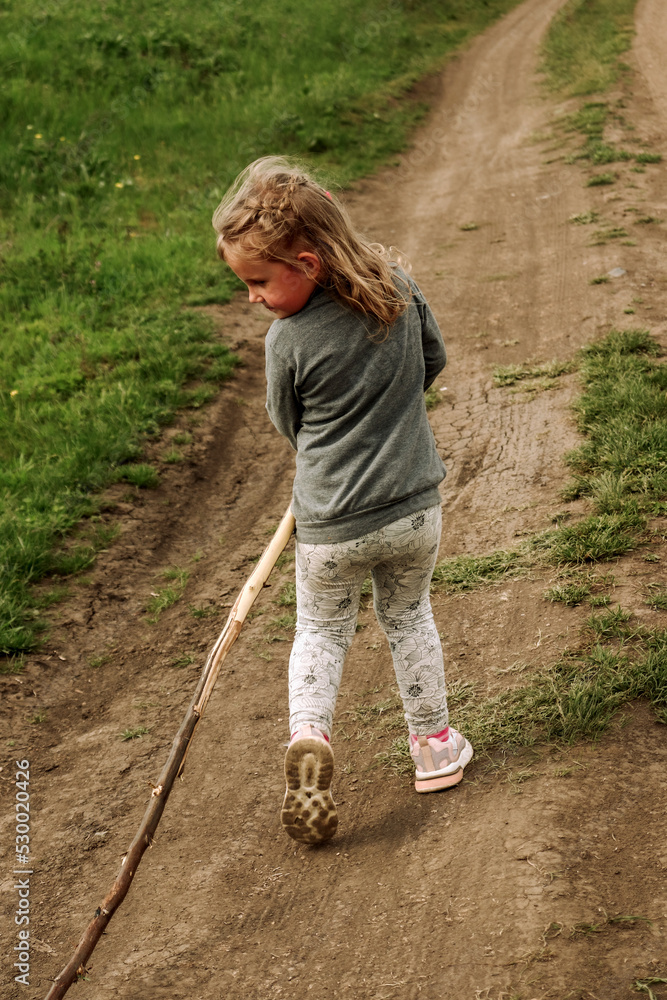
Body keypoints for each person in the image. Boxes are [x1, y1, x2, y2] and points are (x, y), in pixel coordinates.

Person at [212, 156, 473, 845]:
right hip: (413, 507)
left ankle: (310, 735)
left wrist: (331, 454)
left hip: (330, 524)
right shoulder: (399, 288)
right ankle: (434, 748)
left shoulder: (288, 341)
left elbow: (285, 420)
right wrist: (389, 413)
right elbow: (433, 359)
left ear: (305, 260)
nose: (253, 299)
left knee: (321, 631)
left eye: (259, 282)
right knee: (408, 617)